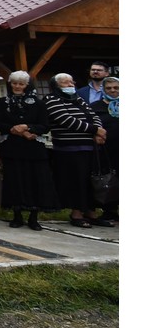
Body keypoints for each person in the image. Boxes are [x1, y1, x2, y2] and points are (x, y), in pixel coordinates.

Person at [0, 71, 56, 231]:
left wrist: (28, 128)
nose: (17, 86)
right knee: (15, 181)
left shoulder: (38, 103)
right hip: (12, 147)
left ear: (27, 85)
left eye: (21, 84)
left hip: (34, 148)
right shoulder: (1, 102)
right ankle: (17, 215)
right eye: (14, 83)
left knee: (36, 181)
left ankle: (34, 217)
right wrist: (15, 129)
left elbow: (45, 125)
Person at [44, 72, 107, 229]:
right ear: (56, 86)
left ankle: (91, 213)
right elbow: (66, 120)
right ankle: (76, 213)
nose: (71, 85)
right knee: (75, 182)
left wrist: (99, 129)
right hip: (68, 149)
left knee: (89, 181)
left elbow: (93, 114)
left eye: (72, 82)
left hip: (89, 147)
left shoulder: (79, 99)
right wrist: (94, 130)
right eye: (66, 83)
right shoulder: (51, 100)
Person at [89, 77, 118, 226]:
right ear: (104, 90)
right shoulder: (96, 106)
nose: (113, 90)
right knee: (109, 180)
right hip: (106, 149)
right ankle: (109, 211)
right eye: (109, 88)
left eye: (116, 87)